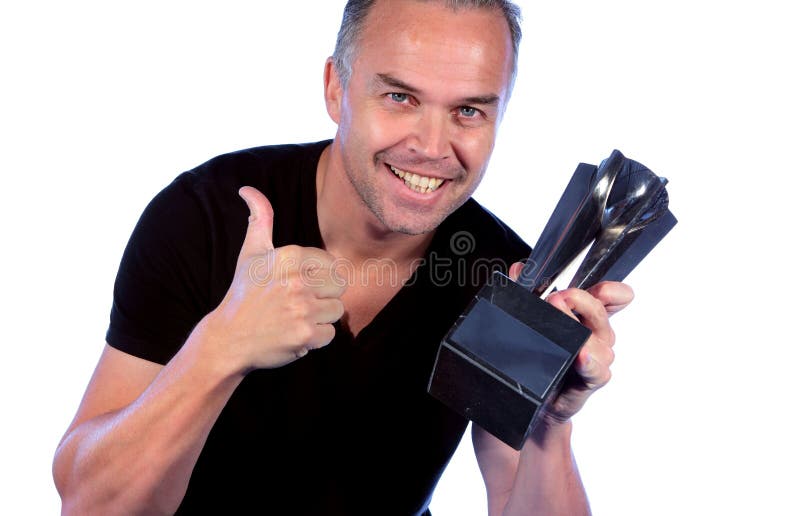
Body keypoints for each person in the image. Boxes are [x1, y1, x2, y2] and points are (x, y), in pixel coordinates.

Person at [53, 0, 633, 514]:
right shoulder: (205, 215)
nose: (432, 148)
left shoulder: (500, 276)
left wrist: (549, 426)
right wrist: (220, 348)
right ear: (336, 87)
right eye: (400, 97)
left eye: (469, 112)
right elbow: (90, 504)